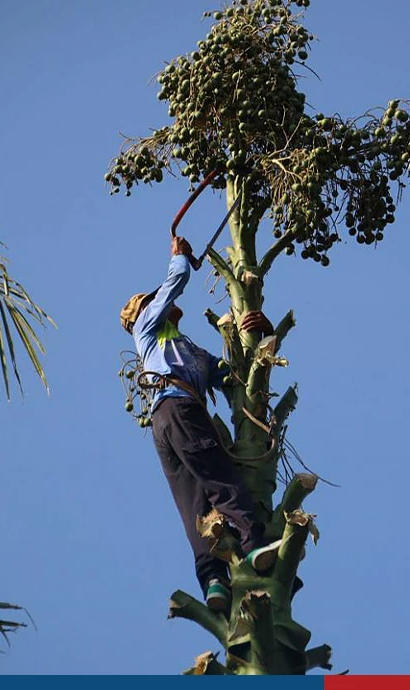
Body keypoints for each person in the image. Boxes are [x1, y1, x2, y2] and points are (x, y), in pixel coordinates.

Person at [120, 235, 280, 613]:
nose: (164, 303)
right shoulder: (147, 329)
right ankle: (252, 542)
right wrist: (178, 259)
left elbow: (235, 380)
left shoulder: (190, 350)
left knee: (196, 505)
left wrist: (263, 333)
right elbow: (173, 285)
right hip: (176, 410)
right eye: (153, 301)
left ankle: (214, 582)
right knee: (220, 478)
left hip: (170, 418)